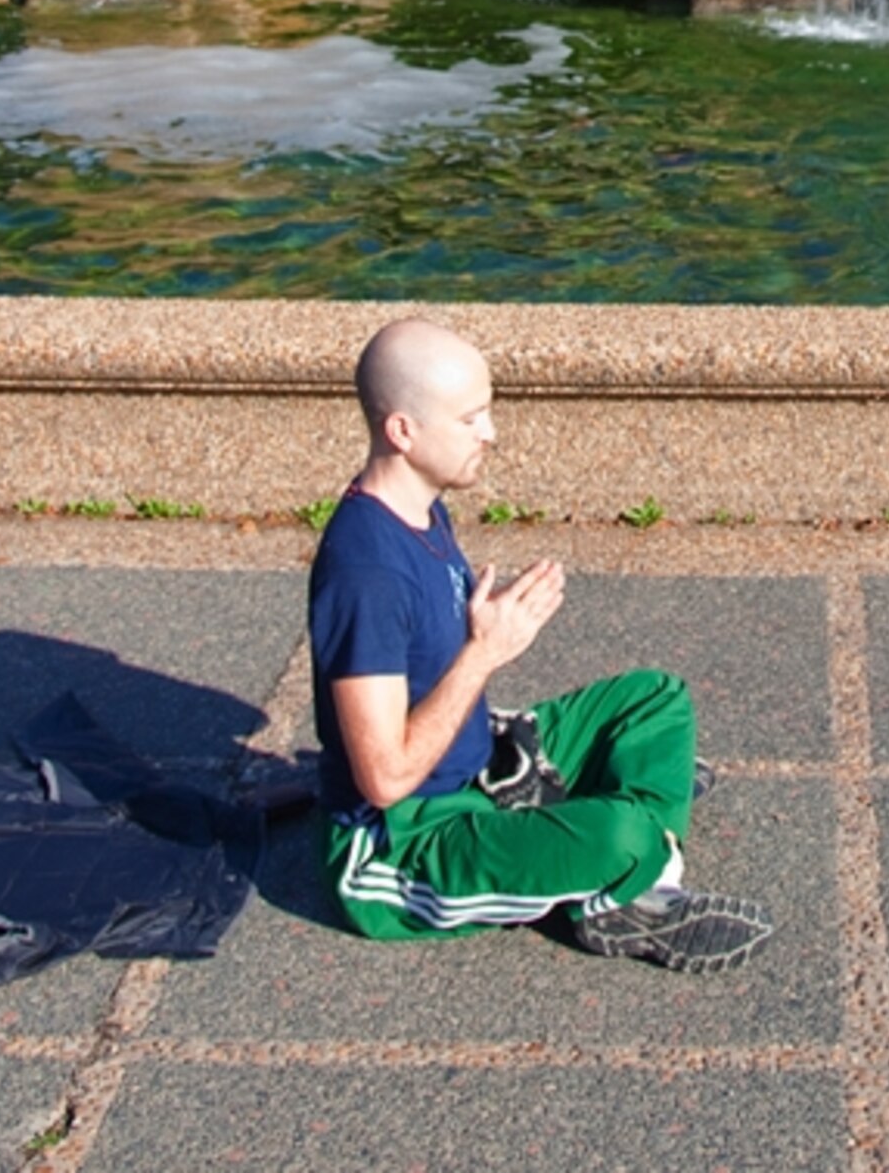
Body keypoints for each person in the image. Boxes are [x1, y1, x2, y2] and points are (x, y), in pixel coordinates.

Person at [306, 317, 771, 973]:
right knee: (625, 833)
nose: (490, 433)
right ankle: (624, 886)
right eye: (470, 419)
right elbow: (382, 777)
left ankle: (606, 848)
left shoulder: (420, 504)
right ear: (403, 431)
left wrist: (477, 640)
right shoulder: (366, 574)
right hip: (403, 841)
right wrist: (483, 653)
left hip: (474, 763)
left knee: (655, 700)